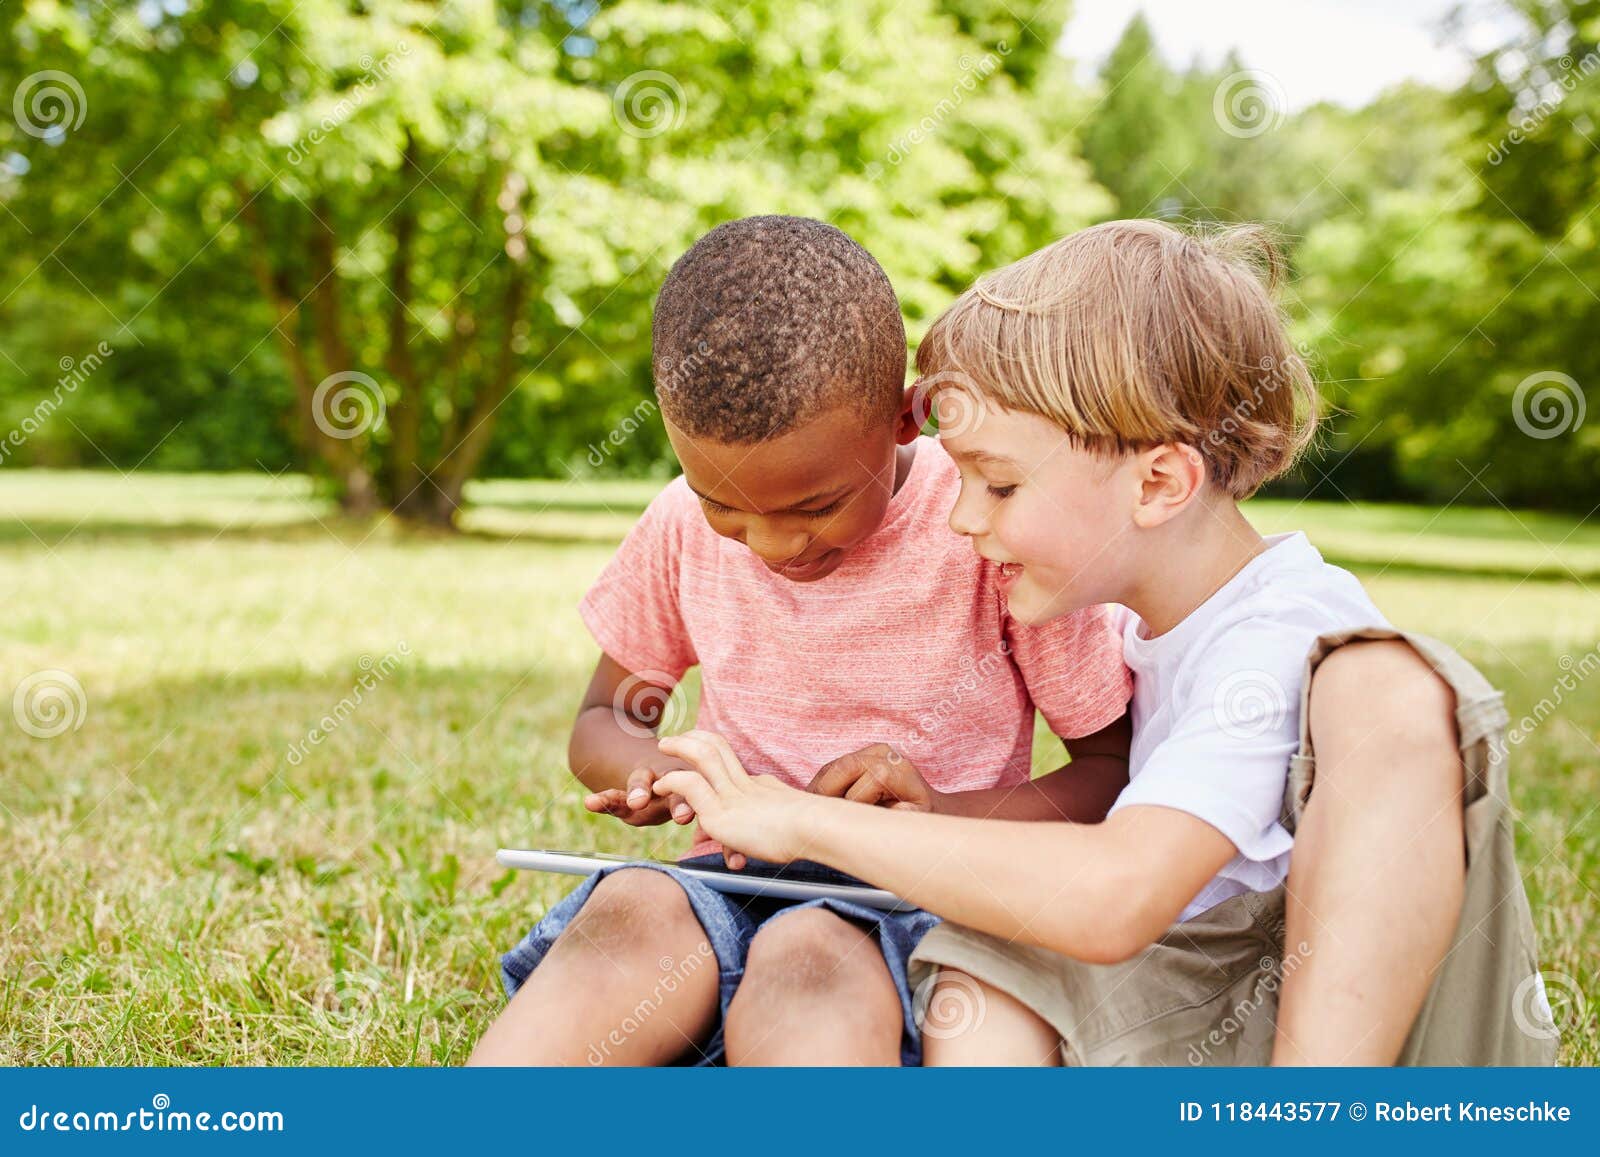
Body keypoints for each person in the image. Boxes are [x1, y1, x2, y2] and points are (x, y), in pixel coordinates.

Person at [648, 219, 1553, 1066]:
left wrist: (805, 820)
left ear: (1158, 483)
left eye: (1000, 485)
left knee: (1379, 683)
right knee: (984, 967)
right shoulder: (1147, 633)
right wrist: (932, 813)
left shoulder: (1283, 634)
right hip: (1203, 1013)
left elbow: (1113, 897)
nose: (961, 519)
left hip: (1376, 1063)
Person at [467, 216, 1133, 1067]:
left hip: (899, 898)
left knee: (808, 957)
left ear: (905, 418)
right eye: (724, 504)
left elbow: (1109, 770)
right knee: (632, 910)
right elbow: (606, 719)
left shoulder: (987, 525)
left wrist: (938, 811)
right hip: (724, 883)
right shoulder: (678, 527)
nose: (773, 544)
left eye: (816, 507)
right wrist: (655, 771)